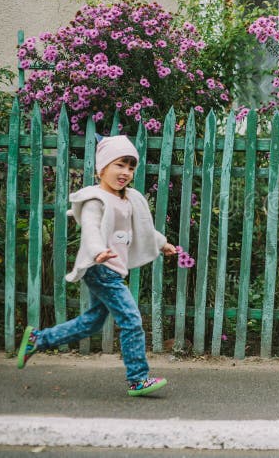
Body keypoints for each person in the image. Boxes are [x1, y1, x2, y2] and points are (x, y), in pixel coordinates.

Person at [16, 134, 178, 397]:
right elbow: (91, 230)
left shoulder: (130, 199)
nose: (125, 172)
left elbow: (141, 228)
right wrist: (98, 250)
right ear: (101, 168)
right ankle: (137, 378)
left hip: (111, 269)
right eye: (119, 165)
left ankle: (38, 339)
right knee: (131, 319)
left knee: (92, 323)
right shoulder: (95, 199)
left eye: (130, 166)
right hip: (100, 268)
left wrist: (162, 243)